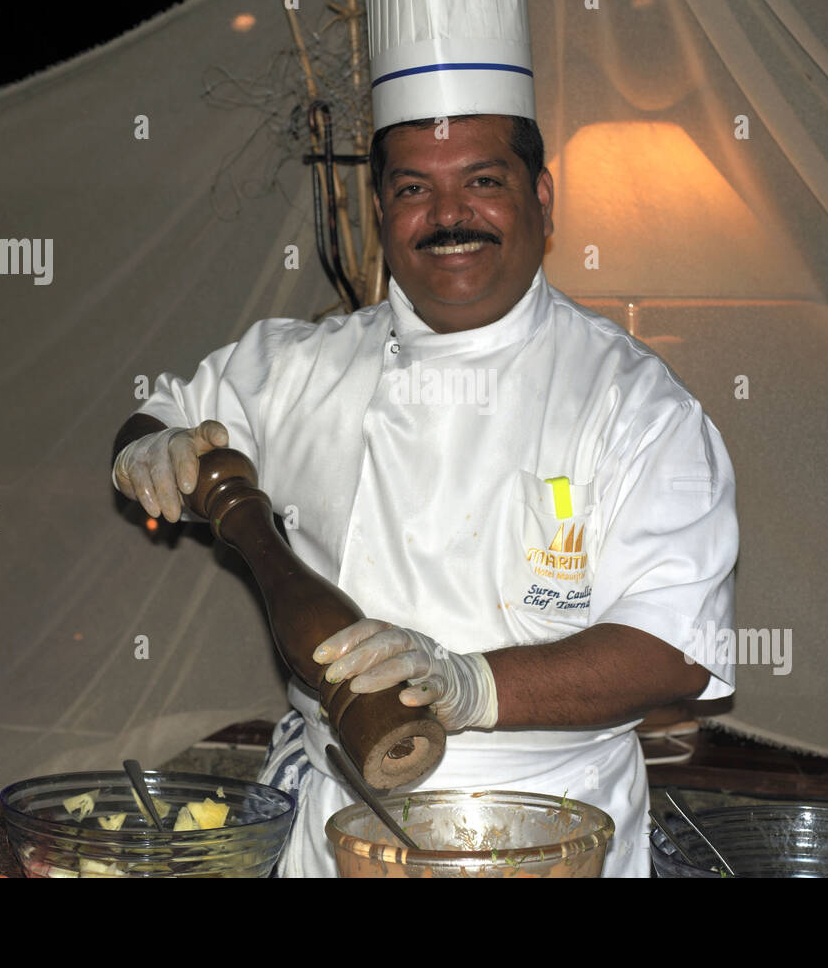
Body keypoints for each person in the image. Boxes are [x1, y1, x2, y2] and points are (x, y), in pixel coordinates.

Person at [111, 111, 738, 876]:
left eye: (482, 181)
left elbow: (673, 651)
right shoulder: (296, 365)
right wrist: (150, 445)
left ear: (542, 197)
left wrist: (469, 682)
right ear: (381, 212)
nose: (448, 216)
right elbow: (165, 411)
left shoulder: (637, 405)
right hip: (337, 820)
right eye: (415, 188)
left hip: (561, 831)